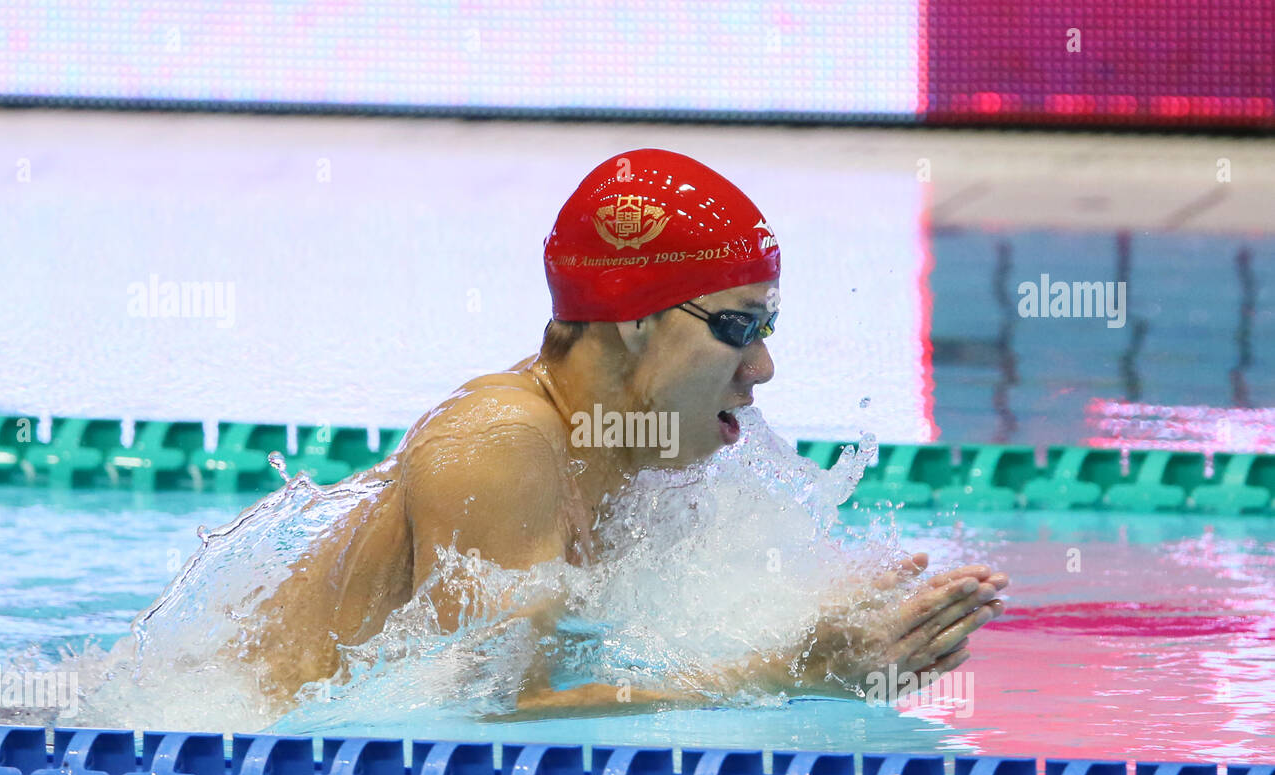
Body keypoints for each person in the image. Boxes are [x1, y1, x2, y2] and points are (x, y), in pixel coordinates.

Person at [242, 147, 1007, 717]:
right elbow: (488, 717)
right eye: (738, 326)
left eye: (768, 326)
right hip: (246, 748)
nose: (763, 367)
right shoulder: (500, 446)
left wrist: (823, 632)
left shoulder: (634, 449)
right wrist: (788, 673)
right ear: (635, 322)